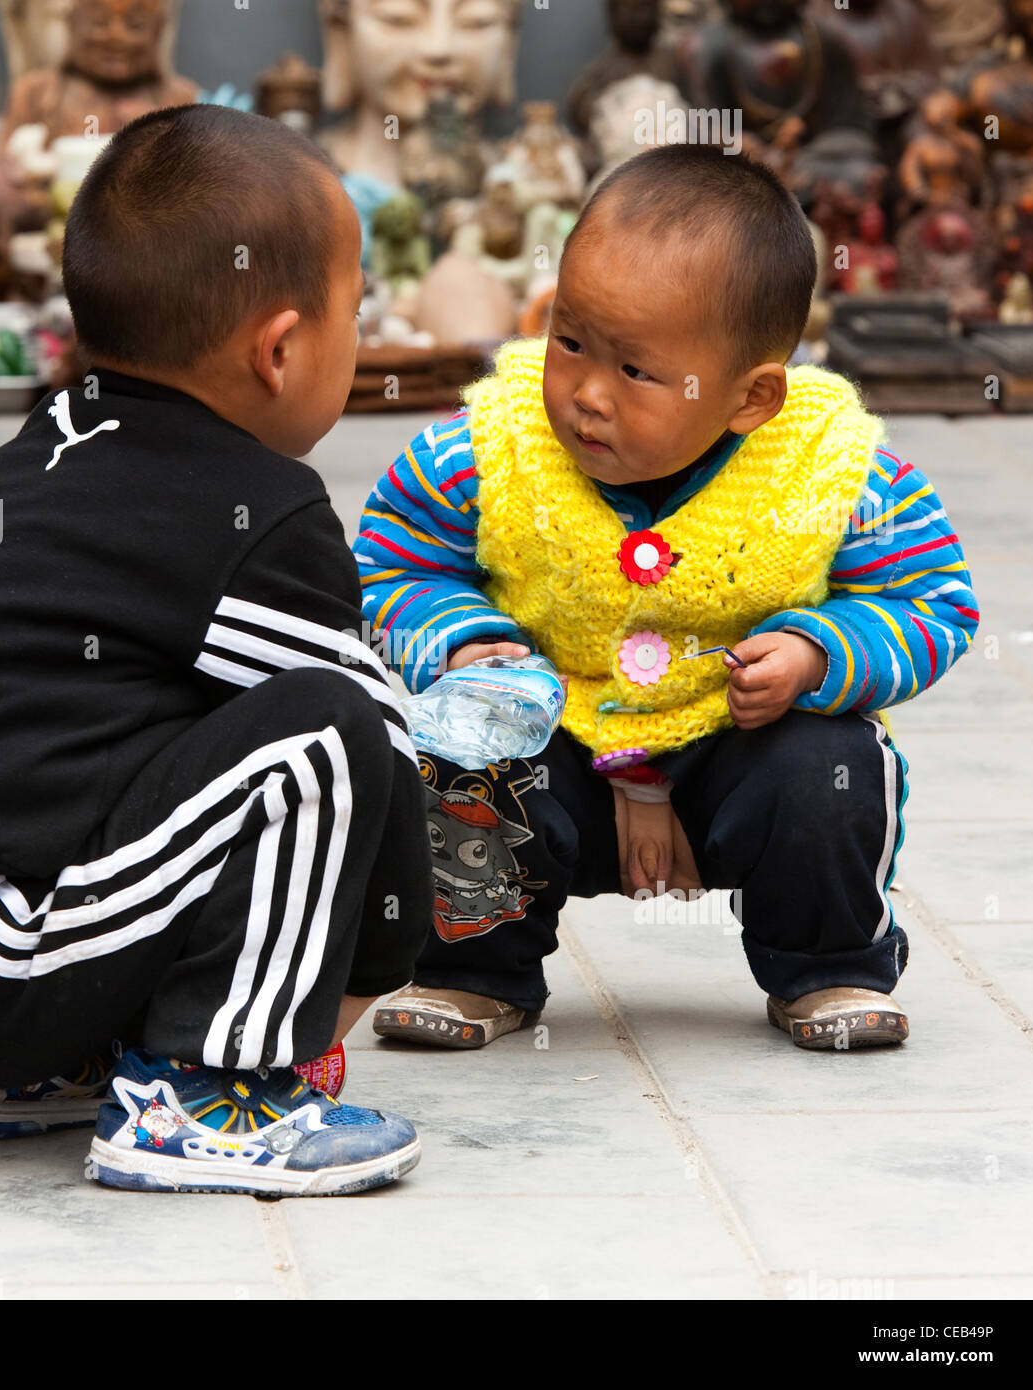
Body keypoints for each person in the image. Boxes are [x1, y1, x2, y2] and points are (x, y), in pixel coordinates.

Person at [0, 105, 432, 1197]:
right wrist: (362, 974)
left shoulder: (50, 448)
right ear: (278, 349)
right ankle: (215, 1093)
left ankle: (43, 1071)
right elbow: (379, 756)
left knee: (175, 714)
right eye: (355, 314)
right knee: (326, 730)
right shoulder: (257, 514)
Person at [355, 143, 978, 1052]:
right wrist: (458, 640)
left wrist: (819, 652)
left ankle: (828, 962)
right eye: (570, 341)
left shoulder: (835, 470)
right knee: (454, 752)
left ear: (751, 397)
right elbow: (392, 564)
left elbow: (934, 600)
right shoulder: (485, 448)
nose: (587, 396)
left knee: (834, 765)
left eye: (636, 372)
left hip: (737, 754)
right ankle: (472, 969)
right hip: (552, 746)